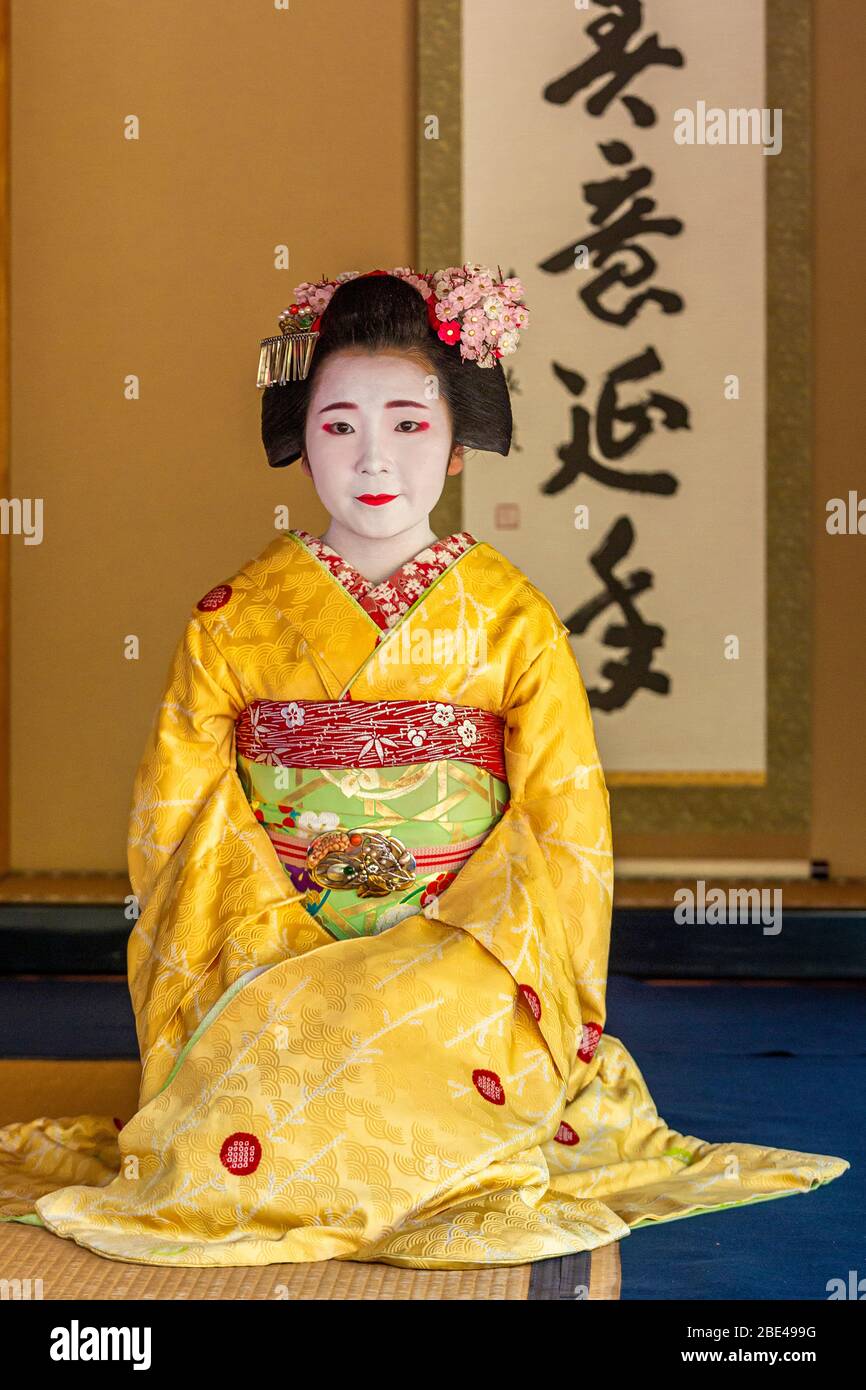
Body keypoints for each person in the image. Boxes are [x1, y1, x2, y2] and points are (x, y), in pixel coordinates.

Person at [0, 266, 848, 1268]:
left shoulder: (509, 616)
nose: (373, 458)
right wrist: (290, 936)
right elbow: (180, 819)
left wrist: (448, 944)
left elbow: (559, 819)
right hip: (270, 939)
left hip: (463, 945)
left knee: (410, 1064)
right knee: (280, 1064)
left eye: (406, 423)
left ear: (458, 432)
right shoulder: (235, 617)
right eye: (337, 424)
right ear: (295, 433)